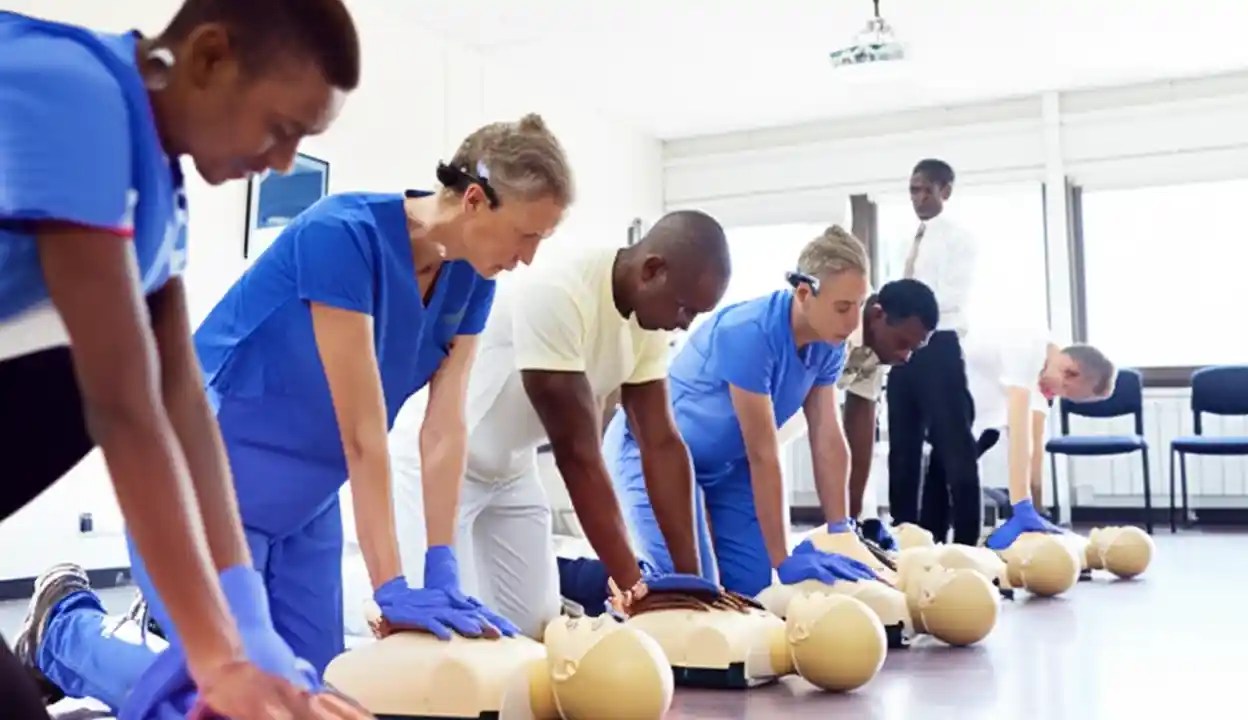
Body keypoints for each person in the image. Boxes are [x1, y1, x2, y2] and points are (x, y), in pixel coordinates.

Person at [18, 114, 570, 715]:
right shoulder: (343, 235)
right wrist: (390, 587)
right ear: (474, 201)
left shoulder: (473, 279)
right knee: (233, 701)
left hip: (308, 501)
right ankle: (63, 630)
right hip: (207, 481)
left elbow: (444, 429)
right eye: (526, 236)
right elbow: (365, 431)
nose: (529, 258)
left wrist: (441, 568)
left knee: (324, 698)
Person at [0, 2, 360, 718]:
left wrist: (246, 622)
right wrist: (215, 656)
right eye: (284, 129)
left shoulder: (159, 187)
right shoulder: (76, 92)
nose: (285, 161)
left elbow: (185, 403)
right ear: (209, 57)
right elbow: (124, 403)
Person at [384, 210, 733, 637]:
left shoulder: (649, 321)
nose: (684, 324)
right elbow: (577, 455)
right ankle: (369, 614)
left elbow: (660, 443)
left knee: (535, 630)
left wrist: (688, 586)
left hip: (510, 471)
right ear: (652, 270)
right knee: (453, 634)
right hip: (437, 464)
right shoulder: (561, 291)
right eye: (684, 308)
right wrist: (634, 589)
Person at [608, 226, 886, 598]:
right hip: (651, 455)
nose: (853, 323)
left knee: (753, 591)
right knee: (697, 591)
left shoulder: (828, 343)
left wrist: (840, 529)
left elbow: (827, 436)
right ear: (804, 294)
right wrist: (783, 558)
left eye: (860, 305)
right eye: (842, 307)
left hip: (725, 468)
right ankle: (619, 599)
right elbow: (763, 453)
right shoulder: (749, 332)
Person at [887, 158, 984, 545]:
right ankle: (905, 539)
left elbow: (951, 296)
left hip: (939, 344)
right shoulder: (903, 239)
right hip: (900, 349)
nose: (920, 197)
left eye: (928, 189)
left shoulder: (959, 239)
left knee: (955, 447)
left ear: (946, 191)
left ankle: (966, 544)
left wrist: (907, 308)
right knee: (903, 449)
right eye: (914, 189)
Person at [955, 330, 1116, 549]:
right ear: (1069, 371)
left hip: (977, 413)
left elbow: (1033, 445)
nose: (1058, 394)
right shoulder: (1026, 349)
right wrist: (1022, 505)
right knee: (953, 470)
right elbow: (1018, 430)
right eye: (1066, 389)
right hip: (945, 378)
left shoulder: (1045, 383)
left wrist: (1035, 511)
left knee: (965, 461)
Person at [837, 279, 939, 551]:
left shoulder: (876, 354)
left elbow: (859, 435)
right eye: (902, 343)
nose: (906, 357)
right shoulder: (835, 325)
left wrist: (851, 522)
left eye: (913, 349)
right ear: (877, 315)